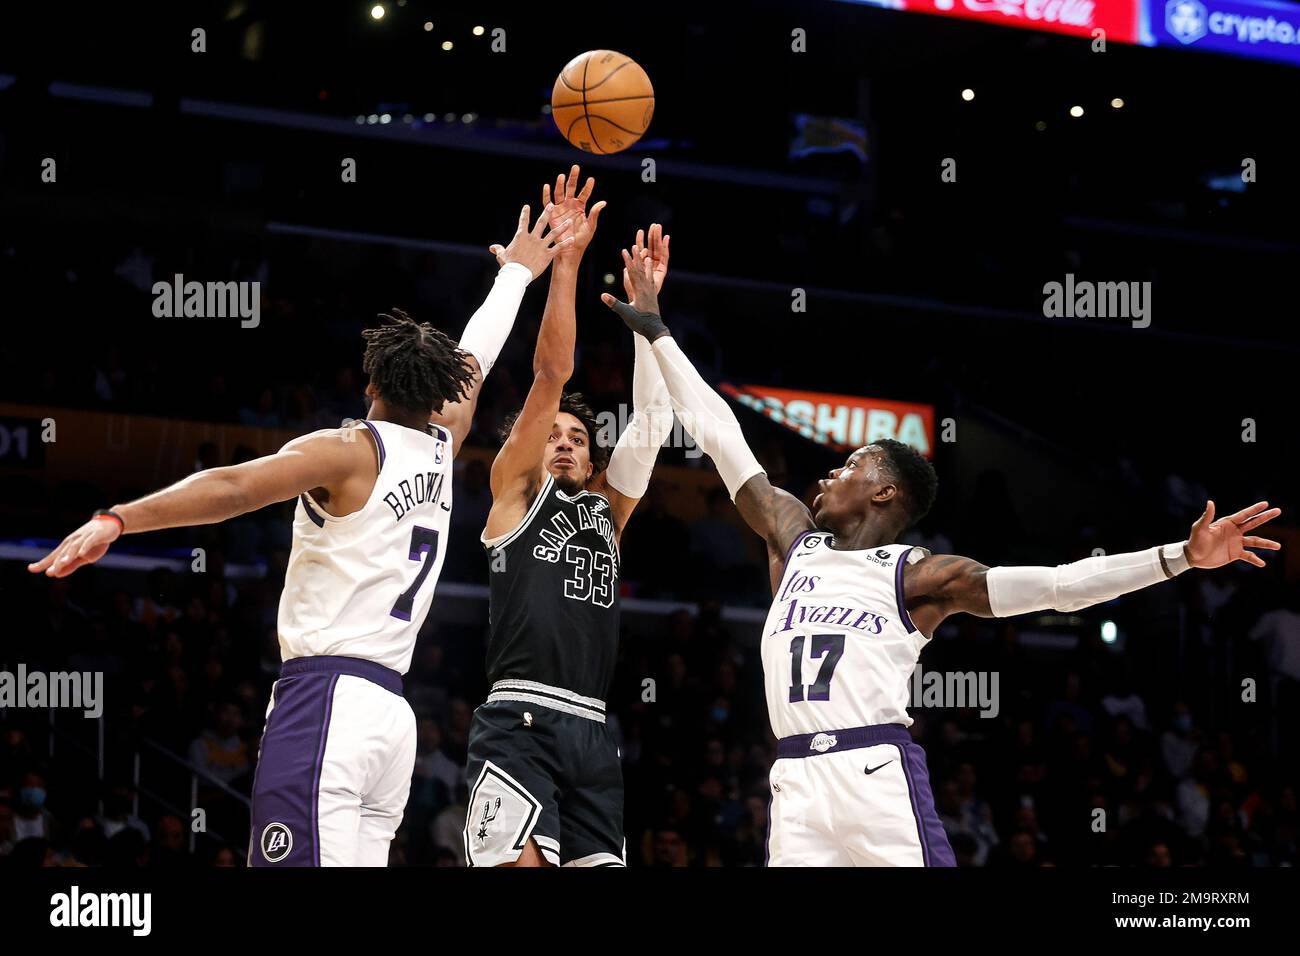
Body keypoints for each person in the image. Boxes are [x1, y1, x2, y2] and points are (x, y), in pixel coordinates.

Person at [602, 238, 1283, 866]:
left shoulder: (918, 576)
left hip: (875, 774)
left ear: (884, 492)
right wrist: (657, 325)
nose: (825, 476)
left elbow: (1059, 586)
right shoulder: (793, 539)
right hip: (795, 780)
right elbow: (721, 435)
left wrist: (1179, 557)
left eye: (847, 467)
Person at [28, 185, 574, 866]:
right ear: (437, 394)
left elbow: (231, 487)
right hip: (392, 716)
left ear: (370, 380)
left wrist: (118, 518)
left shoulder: (348, 451)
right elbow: (478, 357)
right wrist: (519, 271)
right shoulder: (444, 441)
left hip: (326, 703)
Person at [463, 182, 676, 867]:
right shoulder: (515, 493)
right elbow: (551, 372)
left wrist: (648, 319)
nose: (563, 442)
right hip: (517, 720)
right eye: (552, 435)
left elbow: (653, 423)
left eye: (578, 438)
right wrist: (568, 263)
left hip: (591, 729)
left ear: (592, 457)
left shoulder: (607, 514)